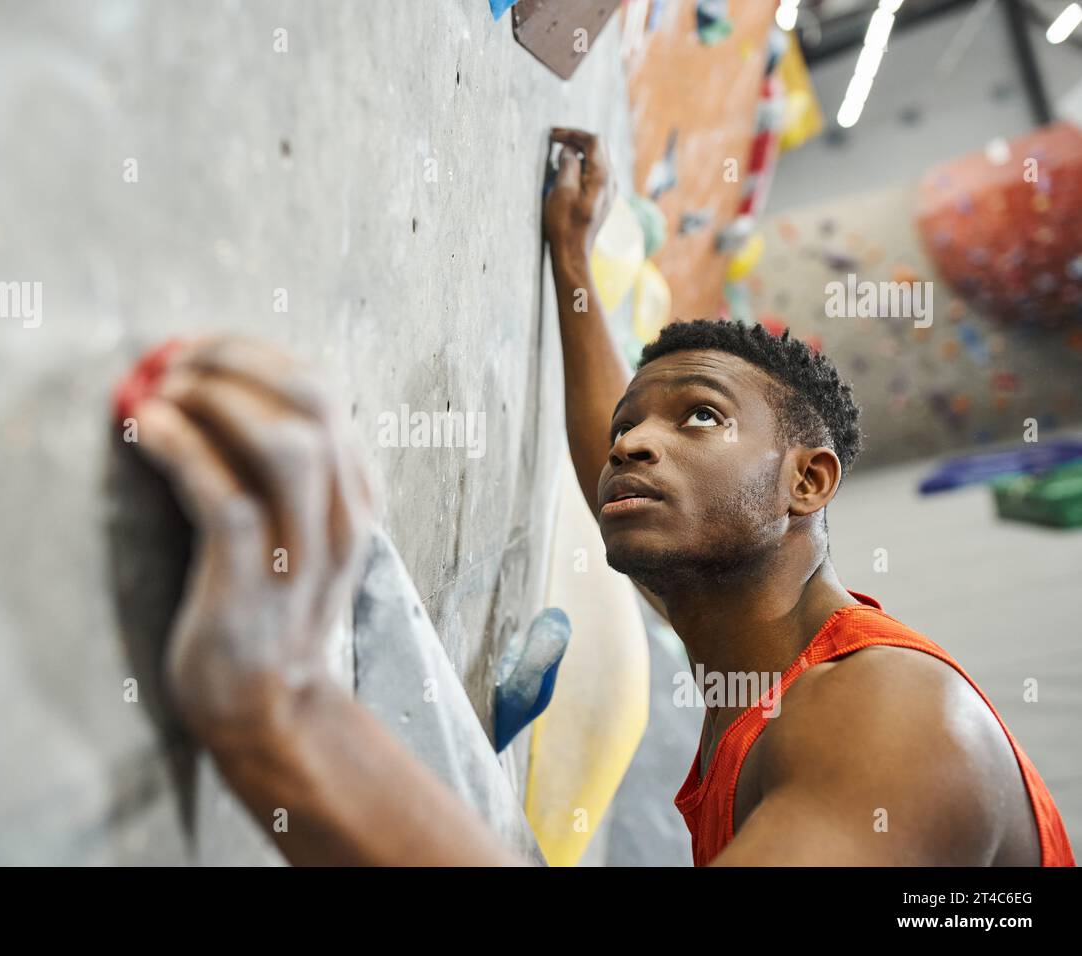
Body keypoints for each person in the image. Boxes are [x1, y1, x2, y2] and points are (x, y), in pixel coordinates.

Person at [128, 129, 1074, 866]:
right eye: (633, 423)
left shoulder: (887, 721)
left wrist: (277, 701)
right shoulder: (743, 615)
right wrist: (573, 262)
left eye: (700, 417)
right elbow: (610, 464)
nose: (634, 443)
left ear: (808, 479)